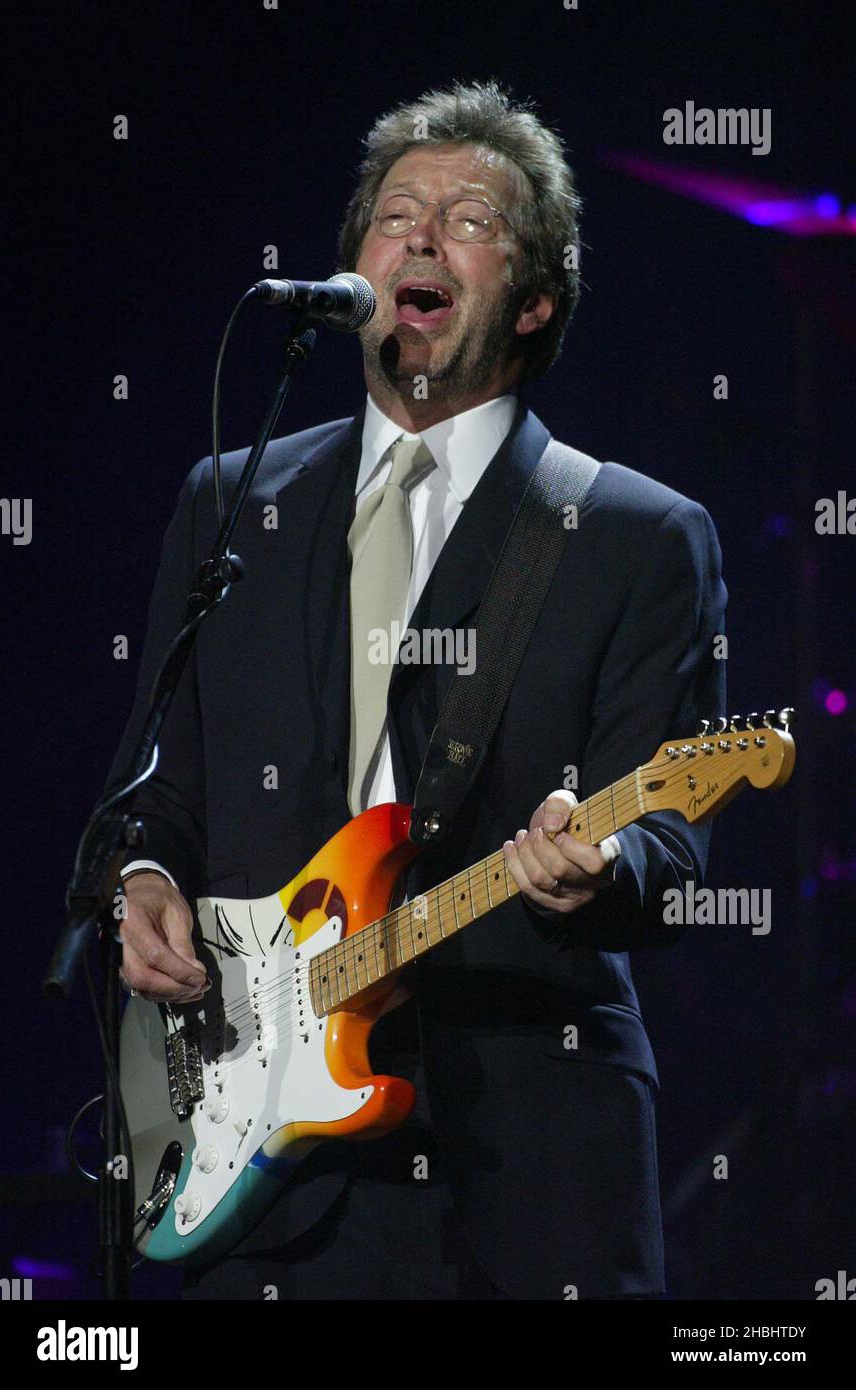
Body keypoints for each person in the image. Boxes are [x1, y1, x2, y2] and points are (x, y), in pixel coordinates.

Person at [107, 79, 726, 1299]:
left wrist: (603, 865)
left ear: (536, 299)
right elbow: (154, 780)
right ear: (354, 277)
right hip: (259, 1162)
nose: (423, 237)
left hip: (522, 1157)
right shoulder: (232, 500)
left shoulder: (634, 533)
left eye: (472, 219)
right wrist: (141, 881)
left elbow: (668, 838)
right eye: (396, 215)